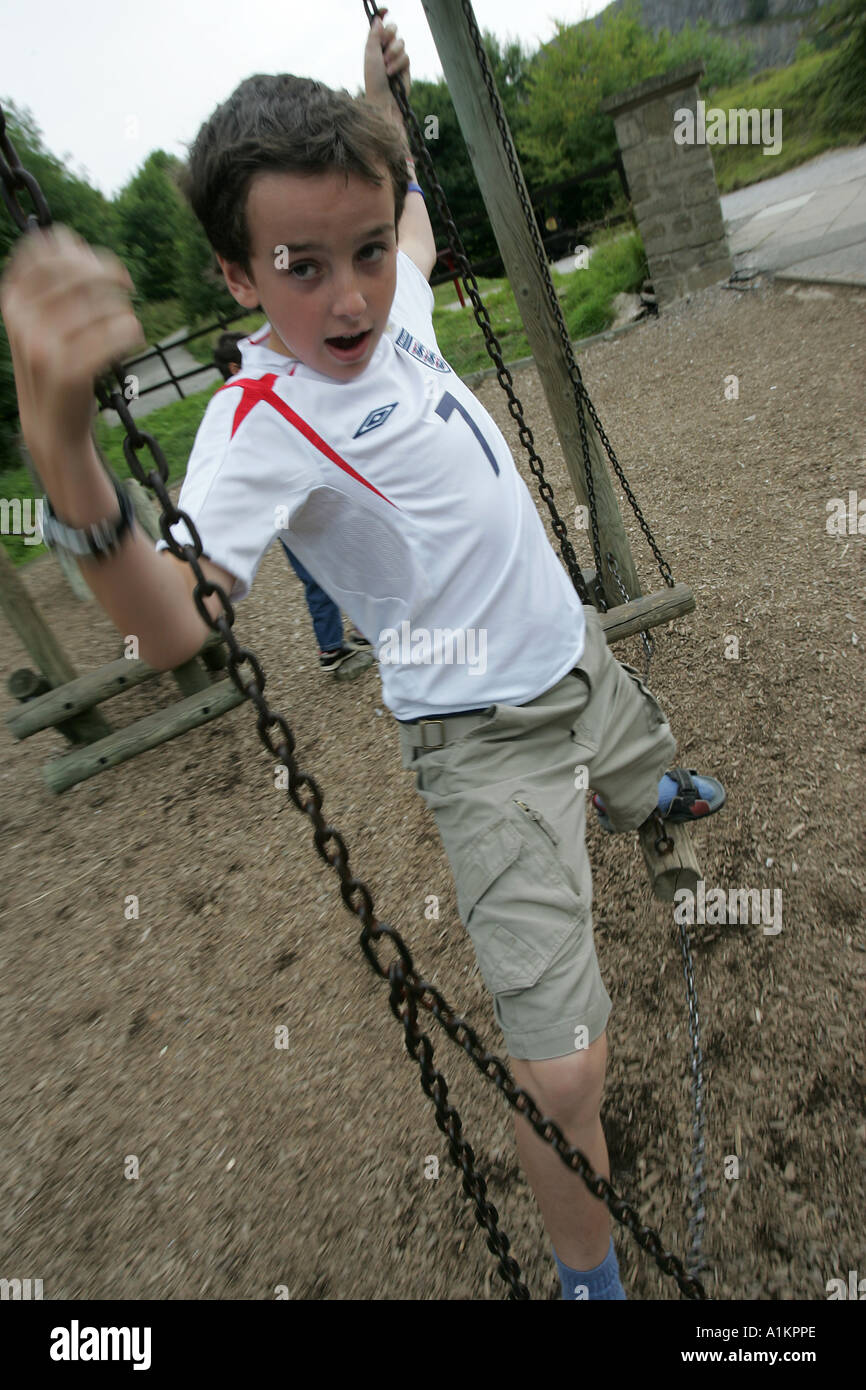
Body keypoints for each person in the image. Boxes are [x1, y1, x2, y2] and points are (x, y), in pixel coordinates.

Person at [0, 7, 725, 1300]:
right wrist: (63, 451)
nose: (346, 294)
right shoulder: (254, 422)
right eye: (298, 265)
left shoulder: (392, 299)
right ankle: (590, 1275)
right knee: (562, 1070)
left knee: (636, 748)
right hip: (481, 737)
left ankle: (650, 797)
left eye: (364, 253)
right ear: (237, 275)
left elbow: (396, 194)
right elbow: (171, 628)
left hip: (571, 646)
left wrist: (372, 90)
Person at [213, 330, 373, 677]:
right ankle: (332, 646)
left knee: (344, 559)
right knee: (319, 573)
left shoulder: (265, 393)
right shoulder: (240, 406)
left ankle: (359, 631)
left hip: (302, 500)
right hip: (290, 505)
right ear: (233, 366)